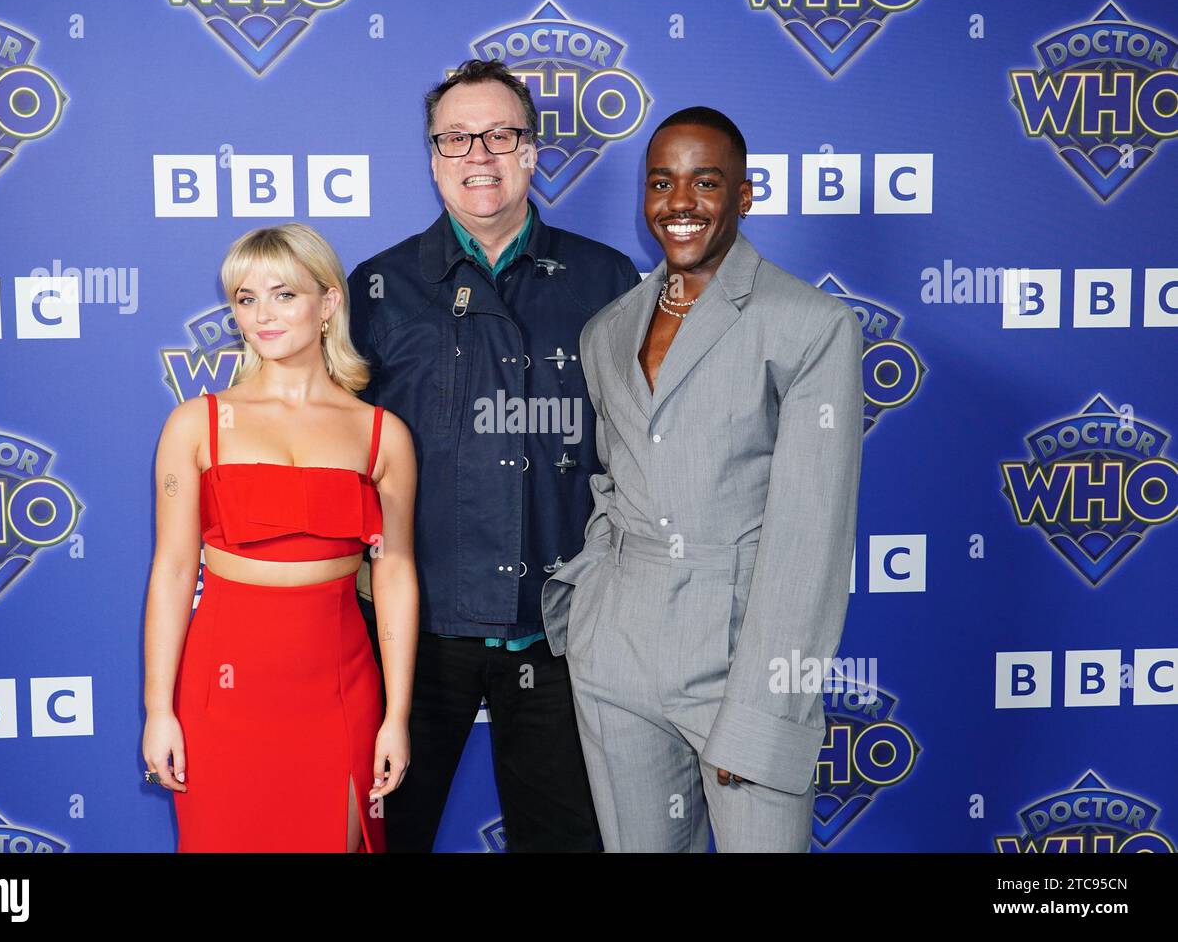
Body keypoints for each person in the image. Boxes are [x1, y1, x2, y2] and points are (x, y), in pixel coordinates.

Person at [542, 107, 864, 852]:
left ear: (744, 196)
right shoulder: (610, 328)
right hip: (615, 653)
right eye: (661, 182)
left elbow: (809, 542)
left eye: (704, 181)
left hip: (738, 660)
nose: (679, 202)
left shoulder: (810, 325)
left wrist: (759, 712)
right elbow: (613, 481)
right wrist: (592, 616)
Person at [346, 59, 641, 852]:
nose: (480, 155)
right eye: (456, 138)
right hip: (416, 631)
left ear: (533, 151)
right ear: (432, 157)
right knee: (383, 834)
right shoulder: (378, 288)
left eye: (502, 135)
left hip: (560, 631)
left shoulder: (607, 279)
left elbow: (642, 450)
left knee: (569, 840)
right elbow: (342, 459)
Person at [141, 223, 418, 852]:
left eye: (283, 294)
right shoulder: (196, 424)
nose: (262, 314)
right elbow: (174, 571)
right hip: (223, 696)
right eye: (245, 298)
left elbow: (396, 573)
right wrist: (160, 710)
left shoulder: (381, 435)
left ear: (328, 303)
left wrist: (395, 717)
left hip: (339, 692)